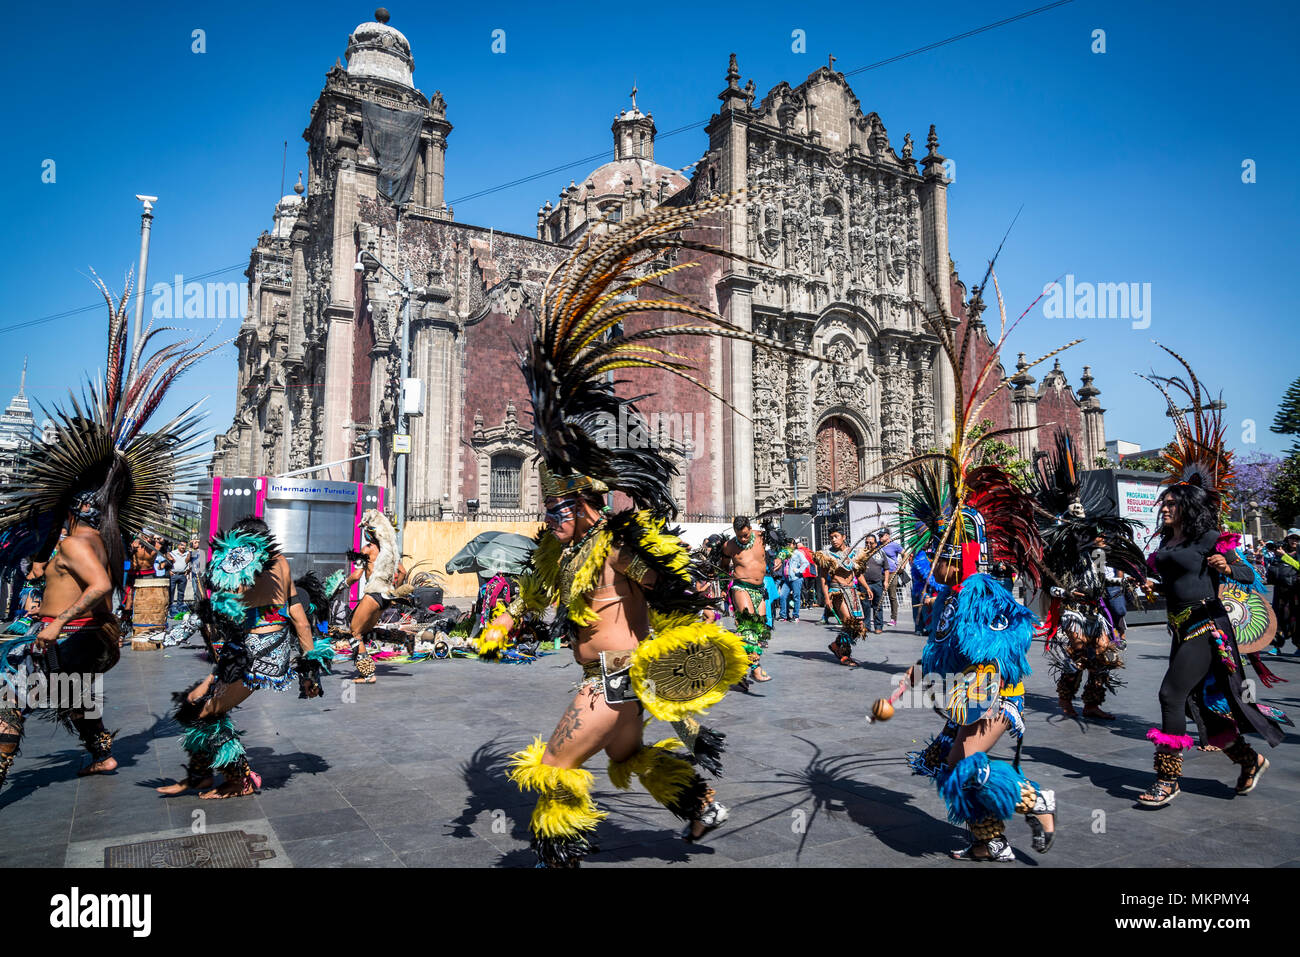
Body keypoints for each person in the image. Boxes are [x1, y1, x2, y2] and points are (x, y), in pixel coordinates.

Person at [473, 192, 804, 867]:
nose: (553, 519)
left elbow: (675, 591)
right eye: (549, 510)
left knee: (558, 760)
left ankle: (558, 854)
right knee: (627, 755)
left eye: (562, 509)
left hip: (619, 679)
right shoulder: (559, 554)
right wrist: (504, 623)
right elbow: (533, 597)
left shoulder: (620, 548)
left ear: (588, 502)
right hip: (611, 678)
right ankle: (701, 804)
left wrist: (696, 646)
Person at [0, 271, 213, 792]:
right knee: (76, 700)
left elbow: (100, 587)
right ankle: (102, 755)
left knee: (9, 699)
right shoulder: (91, 539)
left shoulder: (76, 541)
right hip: (86, 637)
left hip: (76, 635)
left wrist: (55, 622)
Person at [1136, 349, 1290, 807]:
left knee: (1169, 694)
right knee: (1203, 705)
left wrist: (1229, 567)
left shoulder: (1207, 536)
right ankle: (1247, 759)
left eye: (1171, 502)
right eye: (1163, 503)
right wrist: (1151, 587)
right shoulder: (1166, 544)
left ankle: (1167, 780)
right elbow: (1172, 582)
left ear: (1187, 505)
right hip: (1180, 625)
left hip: (1207, 624)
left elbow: (1244, 572)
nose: (1164, 507)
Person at [157, 518, 333, 798]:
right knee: (194, 702)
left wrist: (310, 671)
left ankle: (240, 780)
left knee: (207, 713)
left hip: (261, 657)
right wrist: (310, 673)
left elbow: (295, 618)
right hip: (239, 650)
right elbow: (299, 619)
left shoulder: (249, 570)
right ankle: (199, 776)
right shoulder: (281, 563)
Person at [1029, 432, 1147, 721]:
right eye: (1074, 509)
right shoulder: (1057, 551)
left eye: (1082, 509)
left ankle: (1093, 702)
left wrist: (1123, 581)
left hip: (1096, 611)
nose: (1079, 511)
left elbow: (1102, 576)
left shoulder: (1096, 549)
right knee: (1079, 651)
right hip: (1072, 611)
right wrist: (1066, 594)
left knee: (1105, 655)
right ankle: (1066, 699)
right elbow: (1047, 585)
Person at [345, 509, 408, 683]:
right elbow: (402, 572)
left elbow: (356, 576)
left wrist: (343, 584)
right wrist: (395, 589)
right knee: (366, 631)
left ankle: (367, 674)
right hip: (385, 598)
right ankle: (403, 638)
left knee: (354, 633)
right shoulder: (389, 552)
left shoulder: (368, 549)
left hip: (373, 594)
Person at [722, 516, 772, 684]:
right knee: (749, 626)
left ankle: (739, 665)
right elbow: (722, 567)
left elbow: (784, 547)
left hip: (760, 589)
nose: (743, 539)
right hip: (740, 587)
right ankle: (755, 669)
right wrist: (723, 588)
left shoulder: (761, 538)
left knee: (759, 632)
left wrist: (780, 557)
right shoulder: (729, 546)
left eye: (745, 535)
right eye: (739, 536)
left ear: (750, 529)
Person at [813, 528, 871, 665]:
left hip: (852, 591)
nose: (833, 539)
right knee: (848, 622)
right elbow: (822, 577)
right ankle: (845, 655)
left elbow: (858, 573)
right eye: (831, 537)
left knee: (858, 625)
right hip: (837, 591)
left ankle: (836, 645)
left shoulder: (854, 553)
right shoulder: (826, 555)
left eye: (836, 536)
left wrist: (867, 587)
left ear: (843, 537)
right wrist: (826, 597)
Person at [858, 533, 887, 633]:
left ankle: (878, 627)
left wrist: (886, 581)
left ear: (876, 544)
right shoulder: (861, 554)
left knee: (878, 605)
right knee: (865, 605)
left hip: (877, 583)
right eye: (867, 542)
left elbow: (886, 568)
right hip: (864, 584)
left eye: (871, 543)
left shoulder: (881, 553)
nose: (868, 545)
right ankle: (866, 626)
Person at [878, 528, 904, 626]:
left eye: (882, 535)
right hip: (880, 573)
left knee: (892, 596)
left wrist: (902, 565)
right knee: (878, 595)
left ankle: (893, 619)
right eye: (879, 535)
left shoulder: (894, 545)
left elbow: (905, 553)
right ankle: (878, 617)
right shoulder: (877, 545)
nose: (880, 537)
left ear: (888, 536)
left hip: (892, 573)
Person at [167, 540, 190, 607]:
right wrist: (169, 570)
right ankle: (170, 606)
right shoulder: (172, 553)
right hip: (173, 575)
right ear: (178, 545)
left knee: (181, 592)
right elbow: (167, 562)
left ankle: (179, 606)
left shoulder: (188, 553)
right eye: (182, 545)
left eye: (185, 545)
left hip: (183, 575)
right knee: (171, 591)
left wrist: (189, 570)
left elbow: (191, 563)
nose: (183, 547)